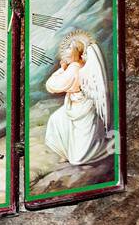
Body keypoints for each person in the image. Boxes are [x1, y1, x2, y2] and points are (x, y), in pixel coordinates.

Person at [44, 33, 110, 165]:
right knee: (55, 120)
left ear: (76, 52)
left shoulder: (74, 68)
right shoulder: (80, 66)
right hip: (75, 106)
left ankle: (102, 148)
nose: (66, 51)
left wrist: (61, 70)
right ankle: (66, 151)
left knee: (77, 159)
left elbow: (51, 86)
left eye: (69, 48)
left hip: (82, 109)